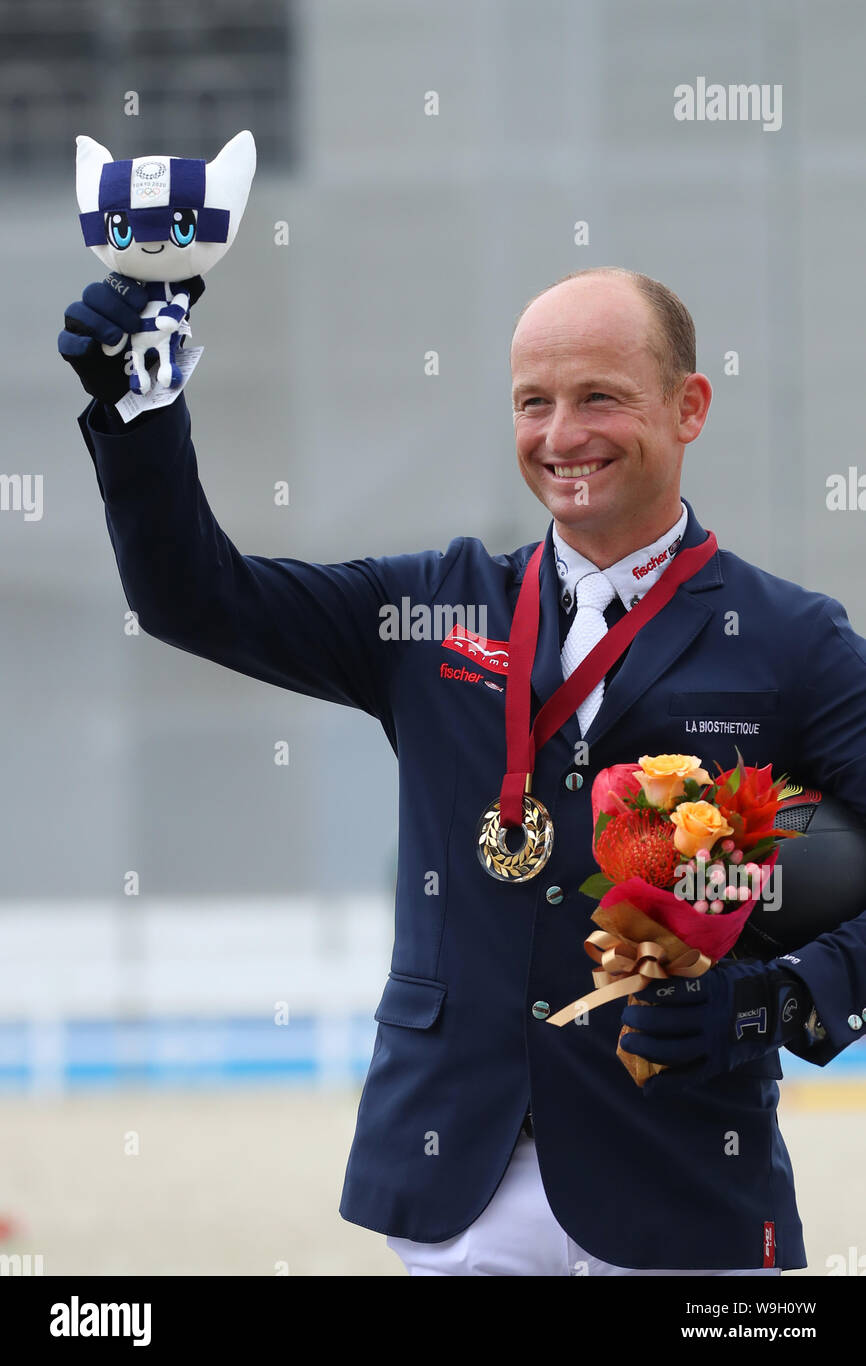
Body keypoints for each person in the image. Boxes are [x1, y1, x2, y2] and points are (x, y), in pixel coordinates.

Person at [59, 266, 866, 1276]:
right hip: (460, 1196)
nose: (561, 435)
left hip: (685, 1190)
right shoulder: (432, 610)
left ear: (687, 405)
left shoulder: (793, 642)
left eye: (599, 396)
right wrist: (139, 407)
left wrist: (774, 1002)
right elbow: (195, 598)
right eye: (533, 401)